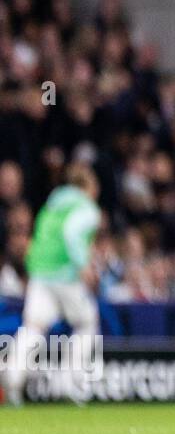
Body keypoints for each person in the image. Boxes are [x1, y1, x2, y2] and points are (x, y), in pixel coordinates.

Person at [3, 163, 102, 406]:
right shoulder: (86, 207)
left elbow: (39, 239)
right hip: (64, 274)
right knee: (86, 322)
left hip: (39, 273)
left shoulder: (50, 207)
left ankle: (12, 379)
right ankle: (71, 383)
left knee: (34, 327)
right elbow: (72, 232)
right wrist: (84, 265)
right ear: (87, 186)